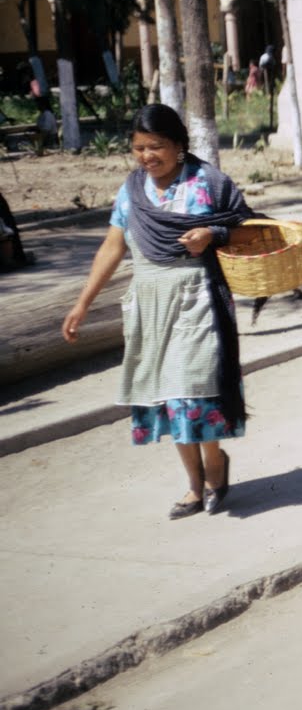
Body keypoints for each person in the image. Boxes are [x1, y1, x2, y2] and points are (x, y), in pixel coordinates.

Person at [60, 105, 253, 518]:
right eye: (139, 148)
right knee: (168, 395)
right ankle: (193, 485)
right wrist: (82, 304)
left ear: (179, 146)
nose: (148, 156)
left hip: (196, 297)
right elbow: (113, 247)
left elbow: (247, 227)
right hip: (149, 301)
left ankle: (215, 465)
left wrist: (212, 233)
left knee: (192, 390)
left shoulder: (208, 183)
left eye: (157, 147)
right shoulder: (132, 190)